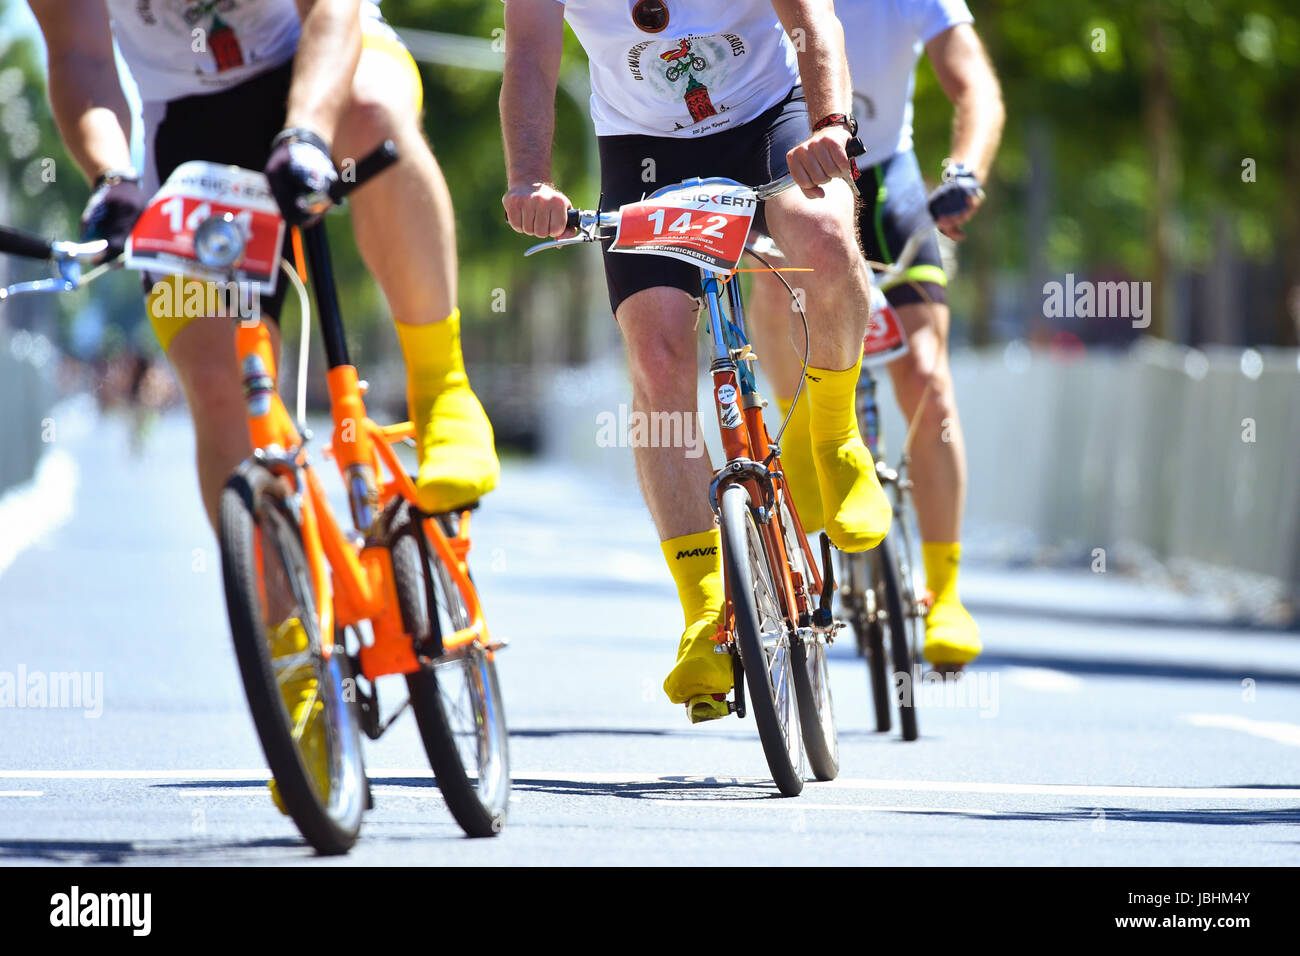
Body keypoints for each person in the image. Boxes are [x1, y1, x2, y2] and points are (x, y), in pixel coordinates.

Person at [29, 0, 499, 810]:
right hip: (189, 127)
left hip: (326, 66)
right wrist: (111, 177)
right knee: (222, 395)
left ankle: (444, 389)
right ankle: (294, 670)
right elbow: (79, 59)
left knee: (370, 118)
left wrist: (306, 131)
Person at [501, 0, 891, 723]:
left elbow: (815, 19)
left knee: (826, 235)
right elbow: (529, 55)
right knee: (655, 355)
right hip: (644, 150)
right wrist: (529, 178)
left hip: (769, 120)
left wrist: (831, 126)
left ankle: (834, 440)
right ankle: (704, 608)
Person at [746, 0, 1004, 671]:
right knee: (775, 290)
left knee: (925, 378)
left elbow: (974, 85)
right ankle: (802, 433)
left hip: (885, 178)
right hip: (788, 174)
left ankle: (944, 595)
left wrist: (963, 170)